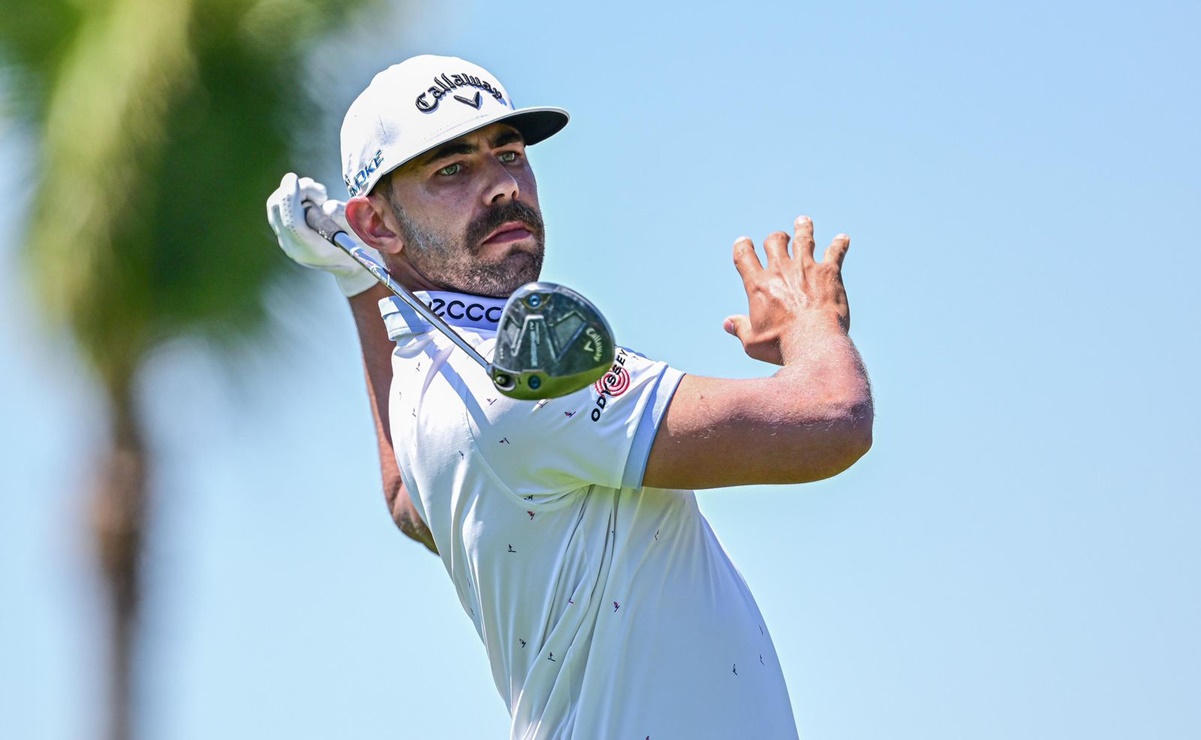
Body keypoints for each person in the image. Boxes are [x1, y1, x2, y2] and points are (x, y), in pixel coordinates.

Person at [266, 54, 872, 740]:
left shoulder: (430, 372)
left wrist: (360, 285)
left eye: (510, 154)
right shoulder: (525, 373)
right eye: (452, 170)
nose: (500, 186)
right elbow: (830, 419)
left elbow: (411, 500)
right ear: (376, 226)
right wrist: (809, 322)